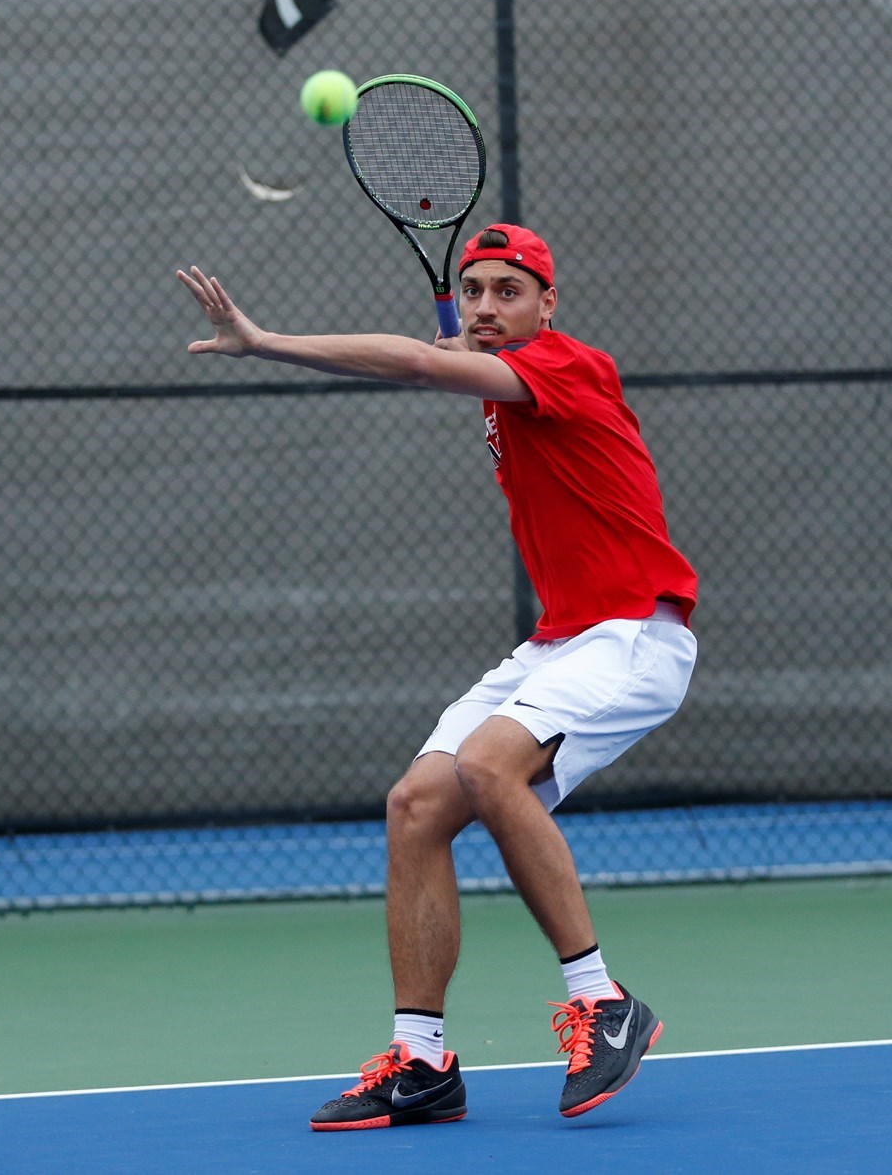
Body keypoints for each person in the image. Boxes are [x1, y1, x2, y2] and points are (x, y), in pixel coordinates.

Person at [175, 225, 698, 1129]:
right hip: (559, 639)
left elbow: (418, 365)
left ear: (549, 304)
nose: (490, 307)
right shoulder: (499, 373)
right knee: (416, 803)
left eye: (509, 291)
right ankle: (422, 1064)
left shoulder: (570, 365)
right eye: (476, 291)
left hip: (634, 631)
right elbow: (440, 357)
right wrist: (453, 346)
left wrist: (264, 342)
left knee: (488, 765)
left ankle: (604, 1001)